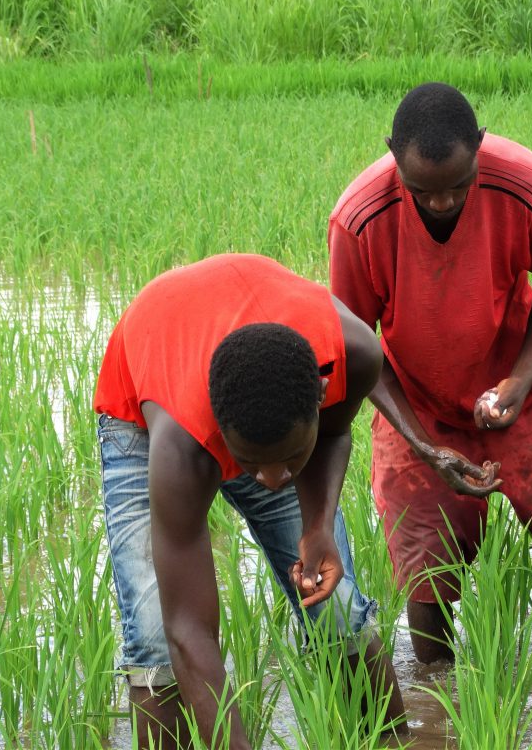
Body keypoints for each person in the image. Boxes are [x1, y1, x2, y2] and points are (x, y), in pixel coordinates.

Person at [328, 82, 532, 664]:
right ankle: (443, 697)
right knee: (422, 551)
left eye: (459, 187)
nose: (442, 203)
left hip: (527, 385)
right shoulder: (359, 219)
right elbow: (356, 345)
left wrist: (516, 380)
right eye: (423, 192)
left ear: (481, 146)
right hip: (420, 403)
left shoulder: (526, 186)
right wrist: (419, 442)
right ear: (392, 153)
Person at [93, 253, 406, 749]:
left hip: (258, 388)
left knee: (337, 608)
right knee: (156, 640)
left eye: (287, 458)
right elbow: (188, 630)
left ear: (319, 395)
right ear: (220, 437)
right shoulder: (179, 448)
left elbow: (333, 432)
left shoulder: (355, 353)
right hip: (144, 408)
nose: (271, 480)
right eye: (250, 464)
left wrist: (319, 524)